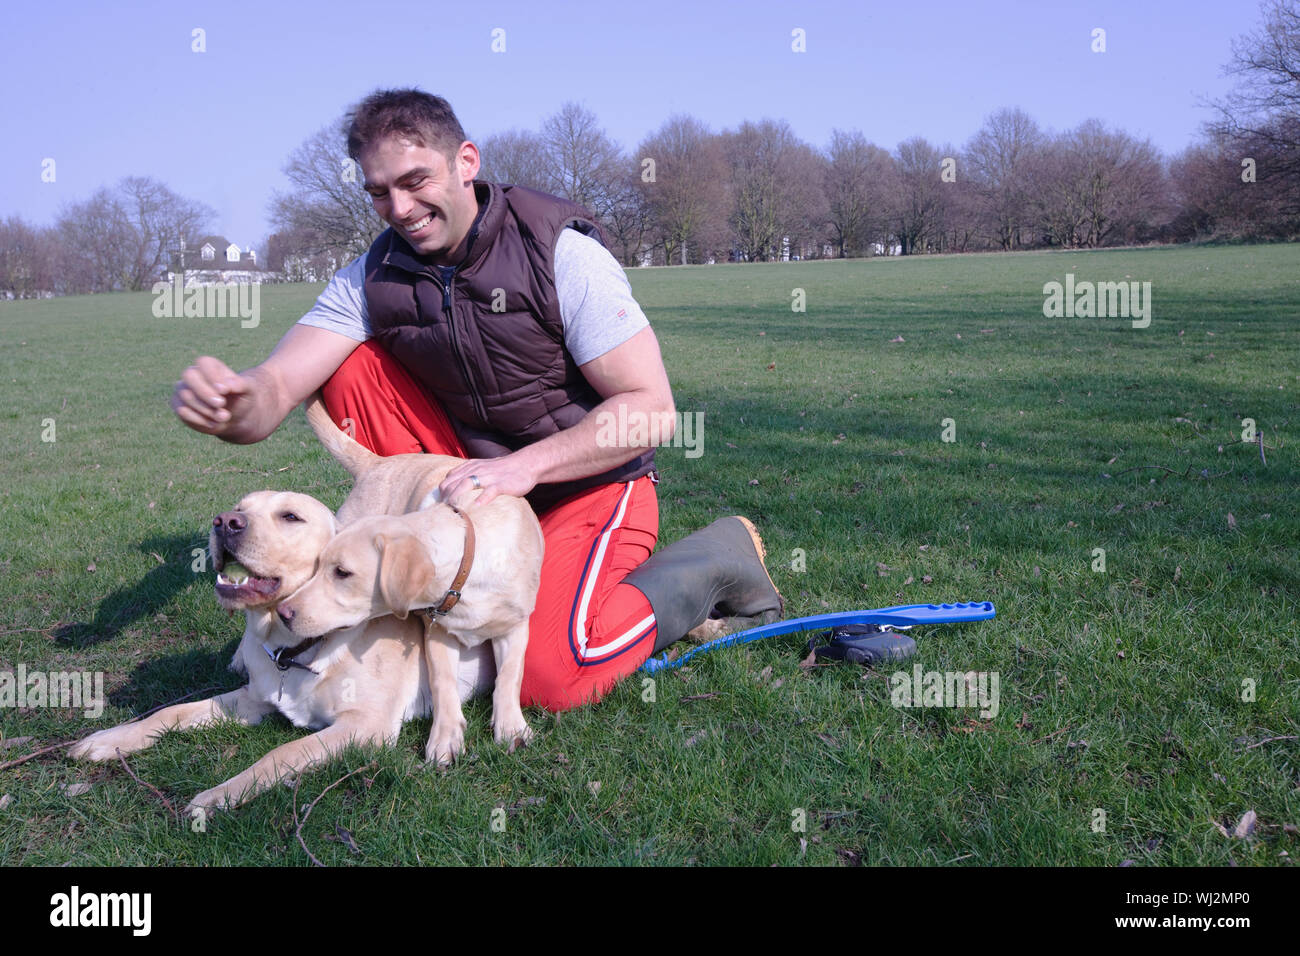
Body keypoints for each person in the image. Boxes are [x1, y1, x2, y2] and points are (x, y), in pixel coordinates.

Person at [171, 88, 783, 711]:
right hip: (468, 488)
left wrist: (520, 469)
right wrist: (239, 400)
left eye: (416, 180)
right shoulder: (371, 275)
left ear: (466, 161)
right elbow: (279, 386)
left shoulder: (559, 252)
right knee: (348, 366)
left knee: (550, 676)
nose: (400, 209)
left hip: (588, 484)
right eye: (380, 192)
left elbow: (650, 410)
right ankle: (416, 581)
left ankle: (716, 557)